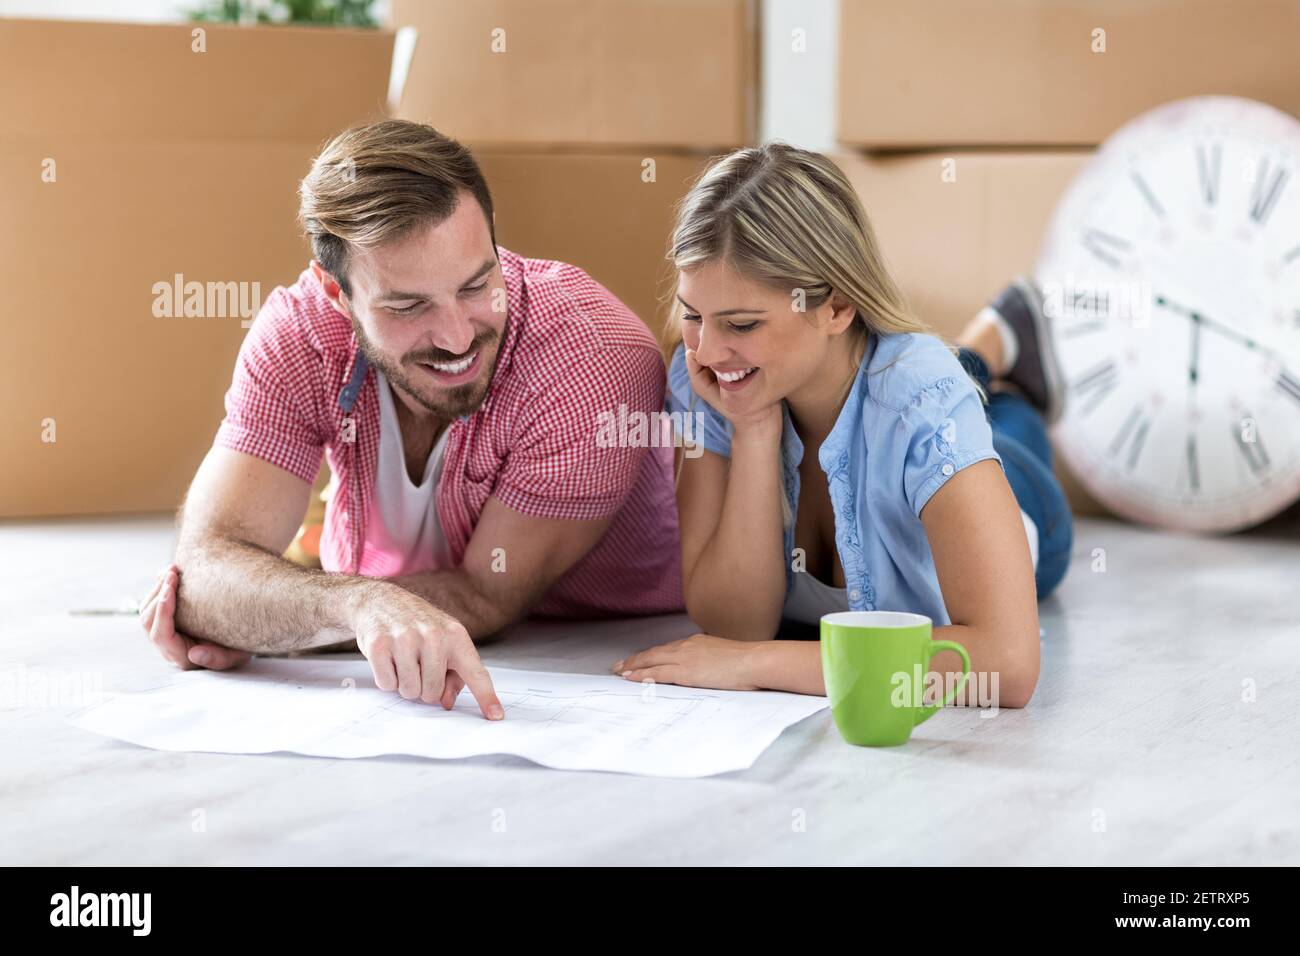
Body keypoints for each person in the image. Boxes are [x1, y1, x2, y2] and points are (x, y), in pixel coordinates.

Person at [136, 120, 682, 719]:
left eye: (477, 285)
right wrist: (345, 608)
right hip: (381, 610)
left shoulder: (592, 354)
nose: (455, 337)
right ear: (336, 295)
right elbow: (205, 572)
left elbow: (485, 596)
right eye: (407, 306)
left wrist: (273, 617)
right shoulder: (299, 332)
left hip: (605, 642)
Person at [609, 143, 1073, 708]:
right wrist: (753, 429)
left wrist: (762, 665)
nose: (706, 349)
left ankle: (1000, 339)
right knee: (934, 382)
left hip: (1025, 505)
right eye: (692, 314)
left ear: (836, 307)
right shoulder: (710, 377)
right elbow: (735, 624)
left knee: (984, 409)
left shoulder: (922, 399)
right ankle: (986, 349)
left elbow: (1006, 665)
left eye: (742, 323)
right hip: (889, 395)